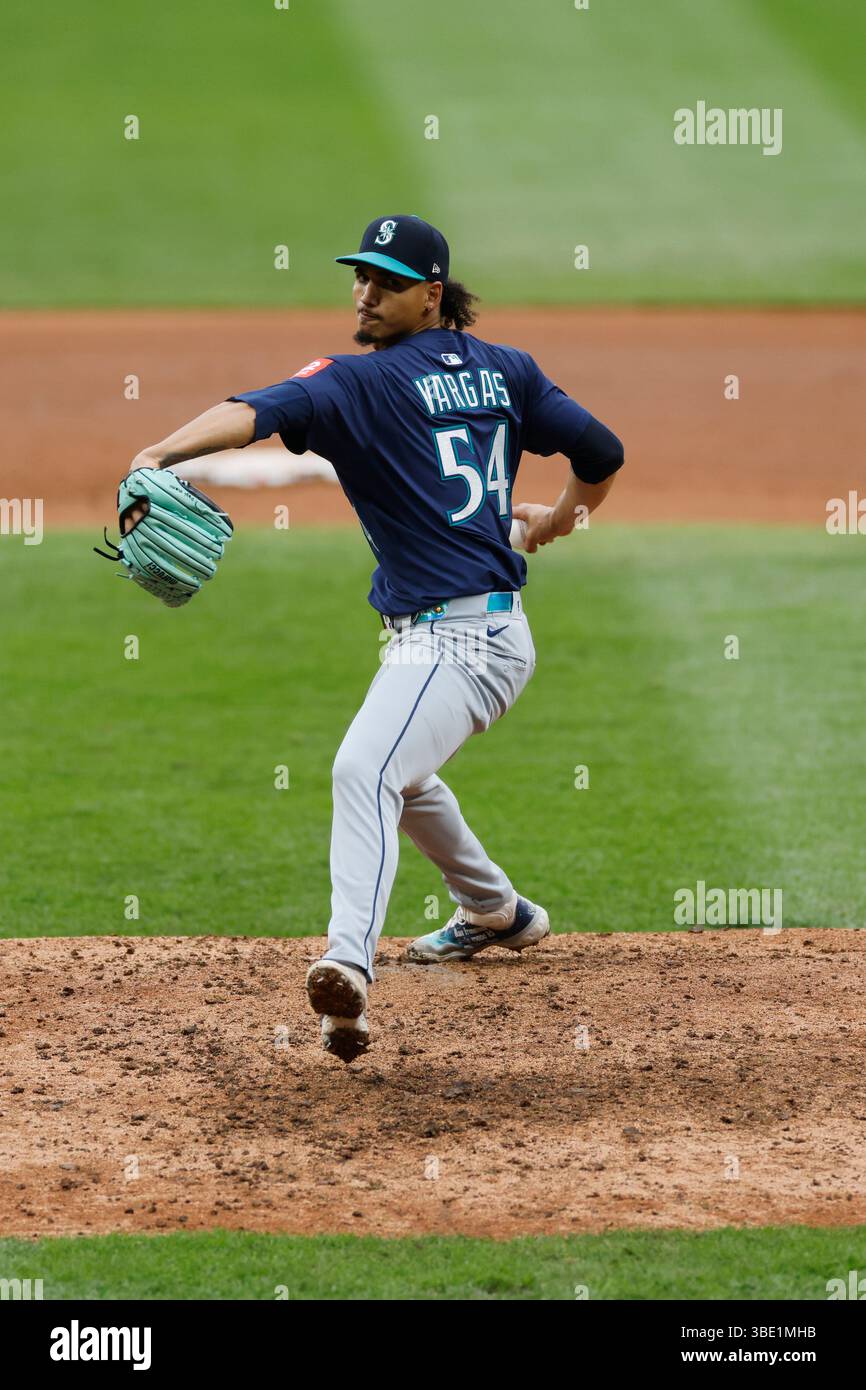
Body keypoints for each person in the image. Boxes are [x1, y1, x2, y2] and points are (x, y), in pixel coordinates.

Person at [125, 214, 624, 1062]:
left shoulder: (357, 383)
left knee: (364, 769)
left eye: (388, 282)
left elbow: (252, 411)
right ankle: (497, 912)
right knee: (404, 775)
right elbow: (602, 451)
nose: (366, 292)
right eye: (361, 275)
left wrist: (155, 452)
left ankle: (347, 965)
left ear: (432, 294)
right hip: (464, 634)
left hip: (461, 643)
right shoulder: (506, 370)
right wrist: (555, 523)